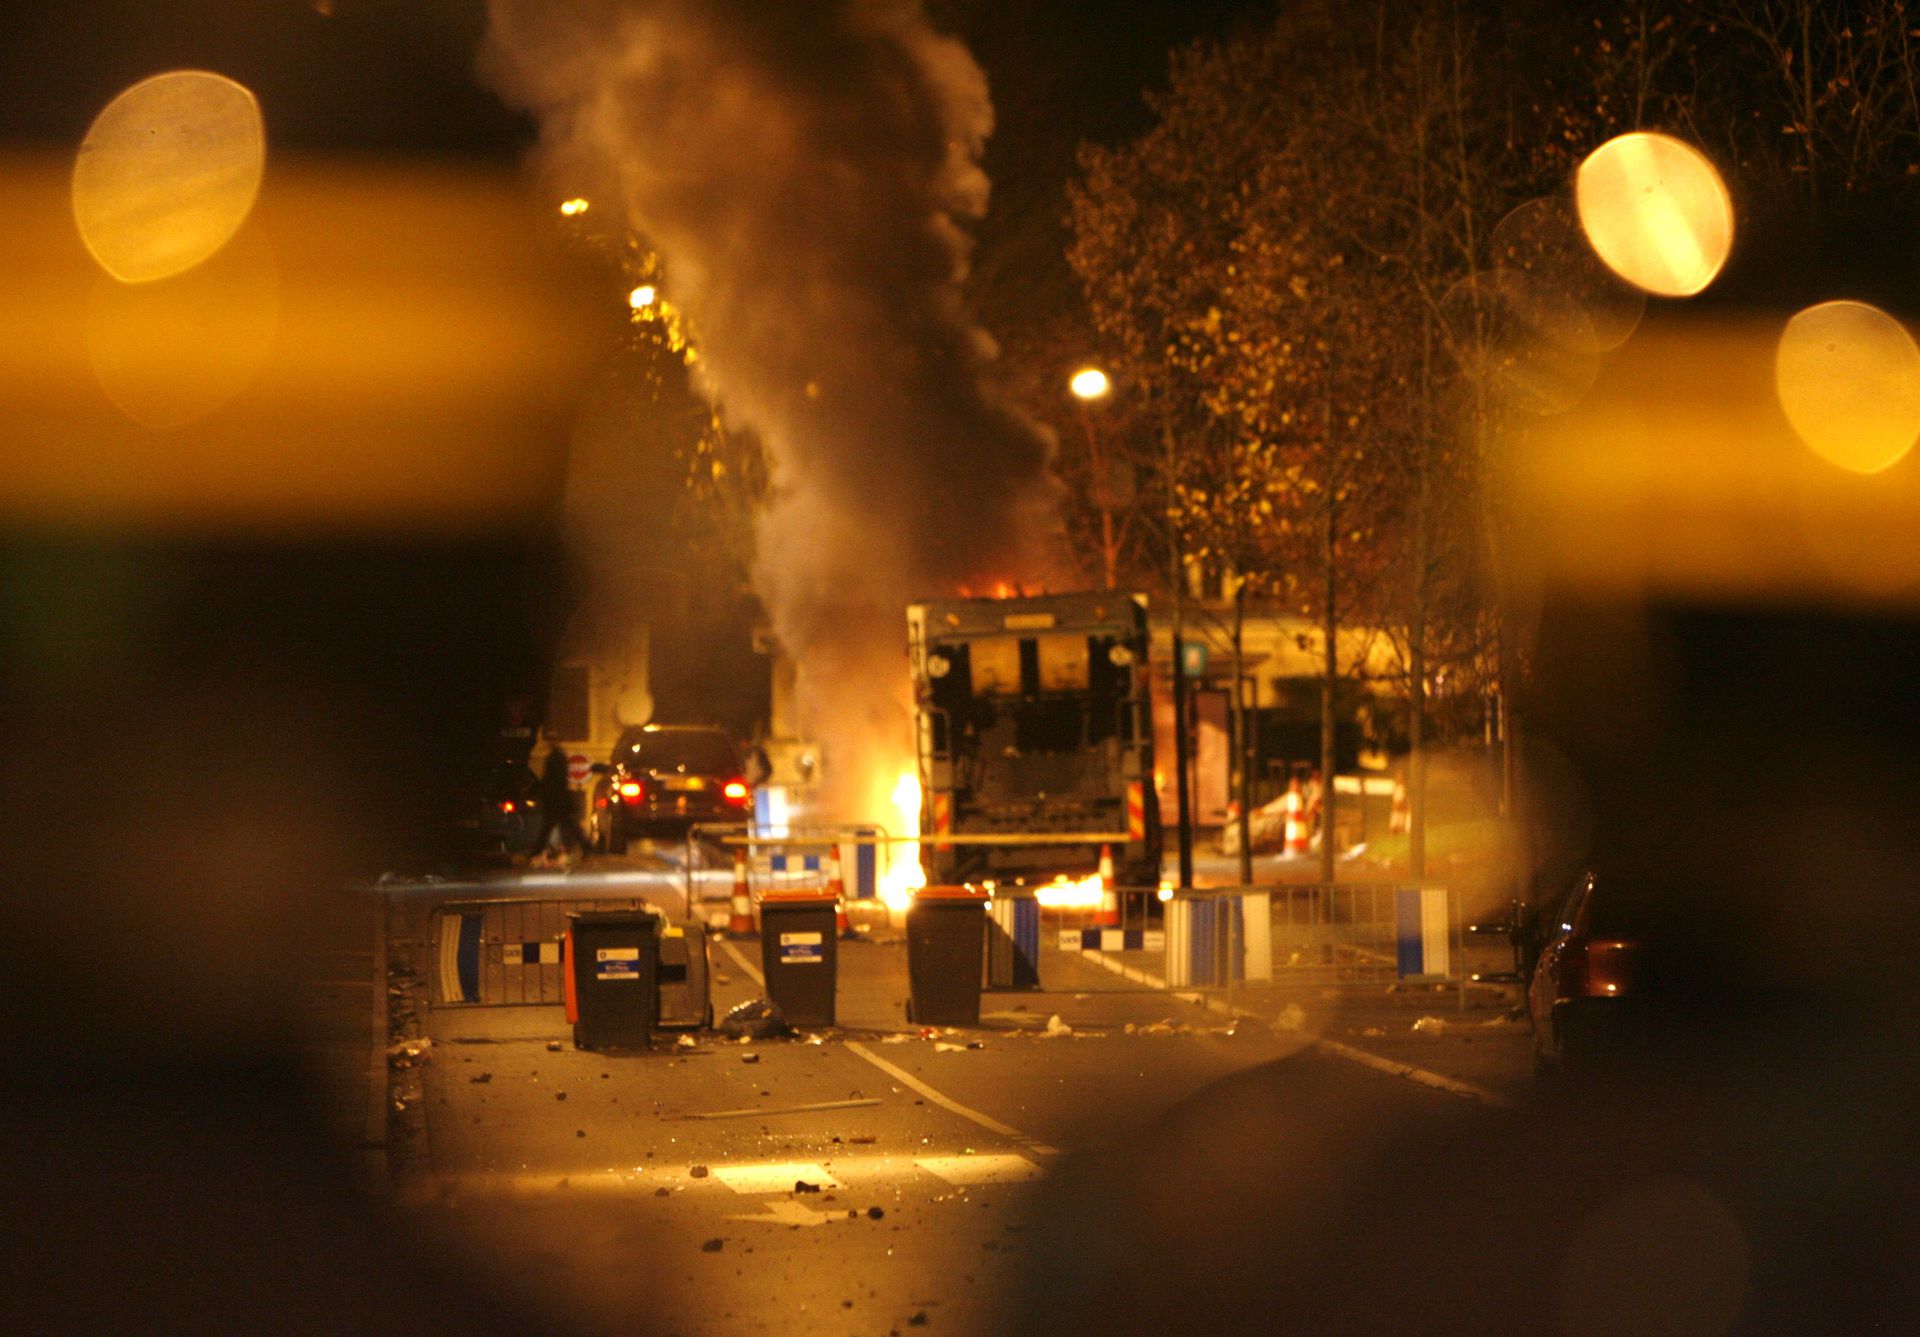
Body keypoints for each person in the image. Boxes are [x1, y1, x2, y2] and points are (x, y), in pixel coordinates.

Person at [527, 740, 587, 863]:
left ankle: (535, 851)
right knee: (566, 827)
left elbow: (551, 778)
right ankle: (587, 847)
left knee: (548, 828)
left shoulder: (555, 758)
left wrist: (537, 789)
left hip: (555, 799)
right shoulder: (559, 757)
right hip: (558, 799)